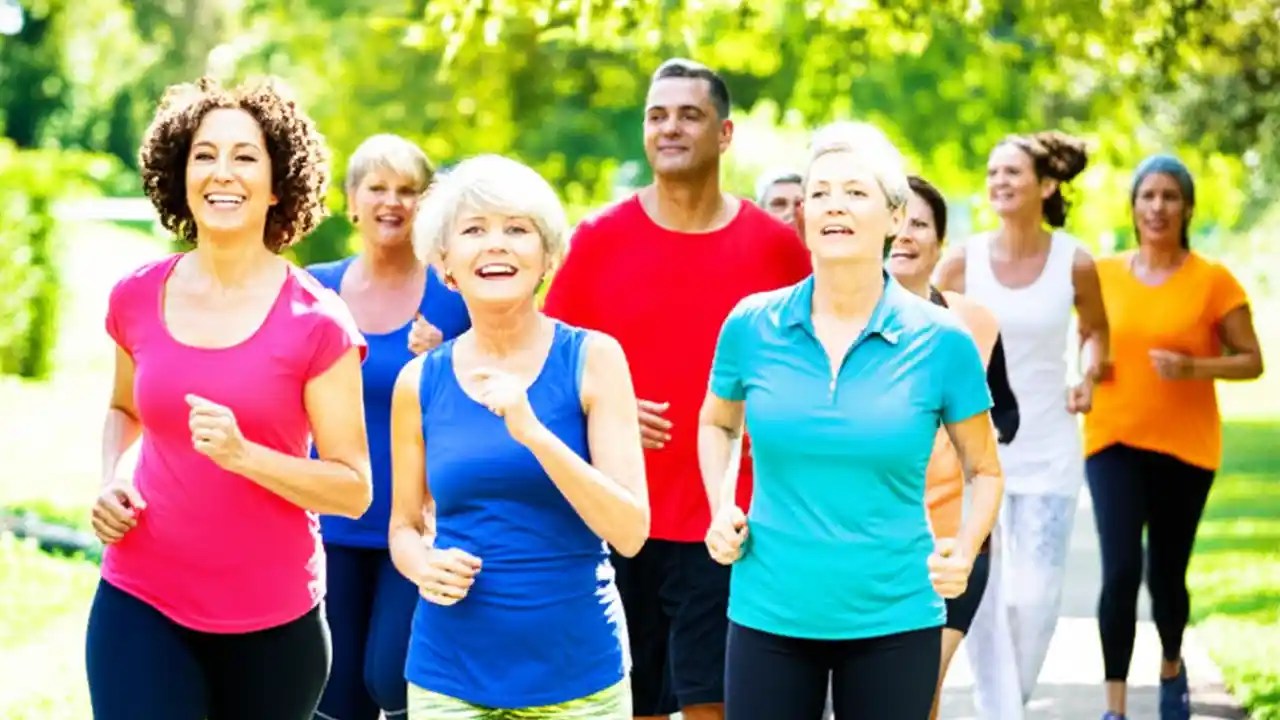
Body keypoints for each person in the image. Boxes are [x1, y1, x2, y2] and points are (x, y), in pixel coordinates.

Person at [86, 76, 372, 720]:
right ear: (180, 173)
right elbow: (125, 410)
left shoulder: (317, 322)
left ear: (277, 186)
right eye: (205, 154)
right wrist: (111, 480)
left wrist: (245, 456)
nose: (223, 172)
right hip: (141, 598)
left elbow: (353, 488)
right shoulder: (136, 296)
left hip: (273, 624)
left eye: (245, 156)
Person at [701, 121, 1004, 720]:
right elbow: (718, 424)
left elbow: (985, 469)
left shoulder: (942, 339)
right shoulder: (752, 325)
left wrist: (964, 551)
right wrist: (720, 504)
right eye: (820, 192)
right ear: (804, 215)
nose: (834, 204)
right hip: (770, 609)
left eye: (856, 191)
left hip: (896, 612)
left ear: (895, 218)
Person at [541, 58, 811, 720]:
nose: (670, 128)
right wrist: (603, 406)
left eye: (688, 115)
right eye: (656, 116)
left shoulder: (776, 249)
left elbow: (814, 369)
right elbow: (548, 366)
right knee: (634, 702)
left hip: (732, 517)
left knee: (714, 703)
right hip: (622, 514)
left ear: (724, 133)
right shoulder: (598, 240)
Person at [387, 154, 650, 719]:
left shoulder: (594, 360)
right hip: (448, 674)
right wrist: (421, 563)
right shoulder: (418, 382)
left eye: (517, 229)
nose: (496, 244)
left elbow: (630, 531)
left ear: (548, 255)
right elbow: (405, 527)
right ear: (445, 263)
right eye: (474, 231)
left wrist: (533, 432)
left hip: (579, 675)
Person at [935, 129, 1110, 719]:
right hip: (975, 451)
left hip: (1050, 449)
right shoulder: (963, 260)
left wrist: (1088, 373)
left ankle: (1009, 703)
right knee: (983, 598)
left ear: (1047, 185)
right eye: (992, 174)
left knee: (1035, 601)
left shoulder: (1075, 260)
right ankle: (1001, 714)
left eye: (1012, 172)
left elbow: (1095, 330)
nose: (999, 183)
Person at [1083, 155, 1264, 720]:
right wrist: (1087, 370)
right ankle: (1115, 706)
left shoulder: (1212, 281)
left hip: (1185, 448)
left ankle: (1170, 662)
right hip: (1112, 438)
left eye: (1169, 196)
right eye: (1148, 196)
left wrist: (1194, 369)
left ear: (1187, 208)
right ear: (1133, 207)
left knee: (1166, 575)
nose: (1157, 207)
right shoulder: (1103, 275)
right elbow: (1091, 337)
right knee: (1118, 571)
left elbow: (1251, 361)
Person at [306, 133, 471, 720]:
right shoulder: (315, 289)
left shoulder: (455, 294)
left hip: (419, 527)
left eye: (408, 190)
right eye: (377, 187)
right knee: (337, 690)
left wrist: (447, 358)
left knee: (392, 679)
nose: (391, 202)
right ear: (351, 200)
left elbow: (501, 391)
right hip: (331, 525)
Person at [887, 174, 1020, 720]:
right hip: (870, 541)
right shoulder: (841, 321)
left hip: (955, 542)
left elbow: (1007, 412)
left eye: (920, 224)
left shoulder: (974, 321)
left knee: (918, 687)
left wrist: (965, 431)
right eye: (898, 221)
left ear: (940, 244)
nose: (906, 235)